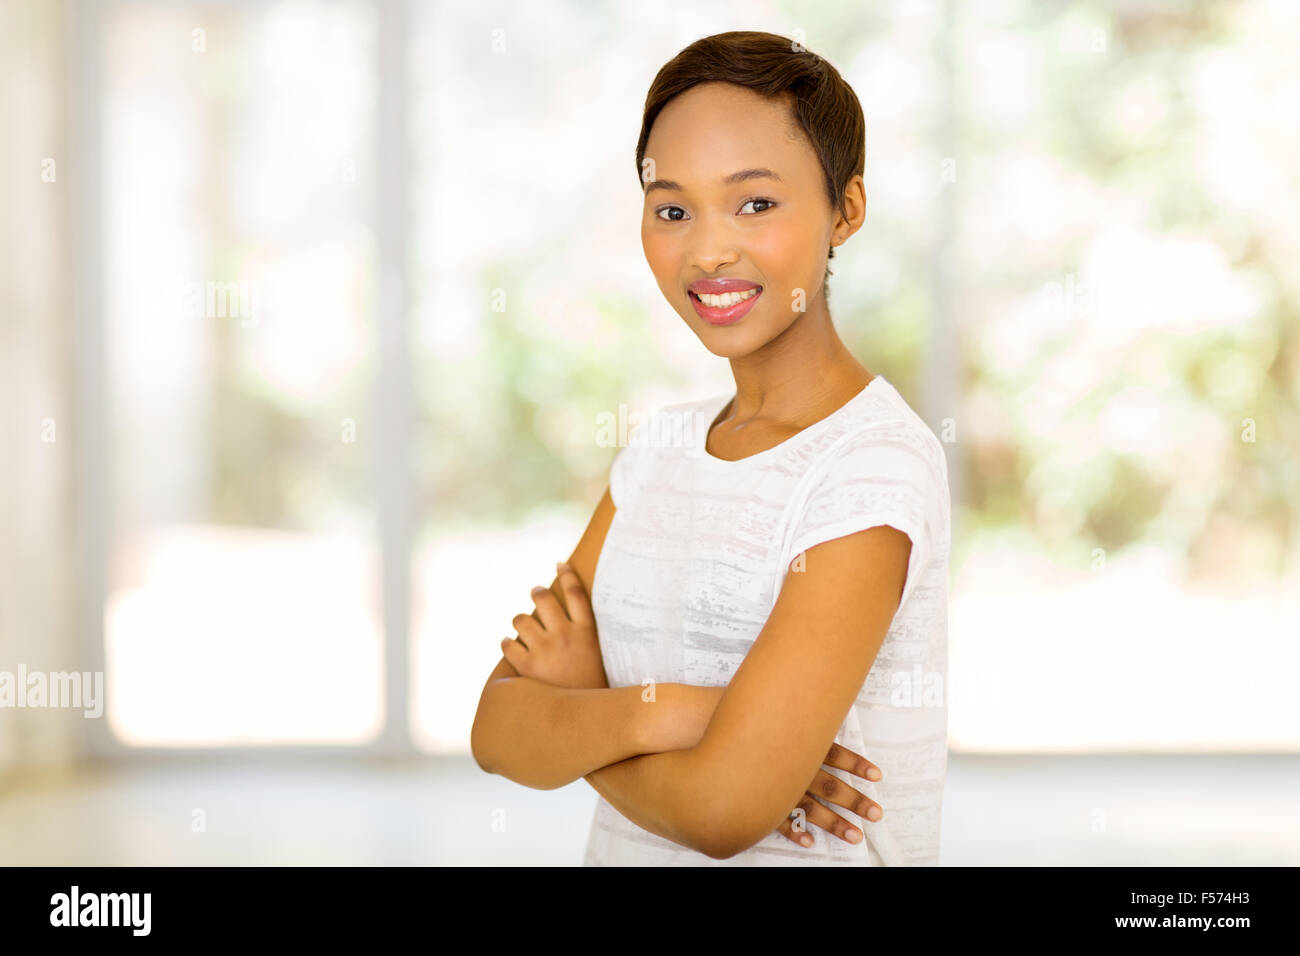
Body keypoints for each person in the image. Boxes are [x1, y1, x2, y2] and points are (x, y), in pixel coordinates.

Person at [471, 30, 951, 866]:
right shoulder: (658, 453)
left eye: (756, 203)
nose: (708, 249)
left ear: (846, 209)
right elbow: (496, 729)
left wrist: (582, 711)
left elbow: (725, 810)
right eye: (673, 208)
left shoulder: (871, 465)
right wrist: (679, 715)